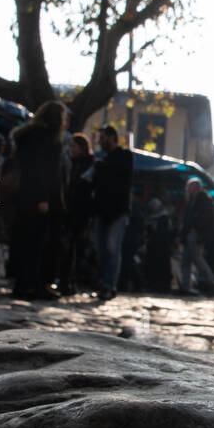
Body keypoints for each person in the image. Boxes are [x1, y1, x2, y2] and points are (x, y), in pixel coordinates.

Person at [9, 101, 66, 300]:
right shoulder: (45, 138)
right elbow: (42, 169)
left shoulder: (27, 136)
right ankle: (34, 284)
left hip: (23, 196)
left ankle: (23, 283)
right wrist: (43, 197)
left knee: (25, 240)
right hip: (40, 198)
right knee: (39, 243)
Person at [90, 125, 134, 300]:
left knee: (112, 248)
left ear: (111, 137)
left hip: (118, 211)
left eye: (102, 138)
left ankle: (109, 285)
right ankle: (103, 283)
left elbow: (119, 179)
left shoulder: (124, 156)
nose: (100, 142)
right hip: (101, 210)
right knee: (101, 250)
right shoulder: (102, 160)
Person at [58, 132, 94, 294]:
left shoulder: (87, 165)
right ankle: (65, 279)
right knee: (67, 246)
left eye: (73, 146)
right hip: (69, 209)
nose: (70, 149)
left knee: (74, 246)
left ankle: (70, 279)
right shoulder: (70, 164)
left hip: (80, 211)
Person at [180, 177, 214, 295]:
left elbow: (205, 218)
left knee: (197, 259)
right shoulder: (192, 200)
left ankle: (212, 282)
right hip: (190, 234)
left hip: (196, 234)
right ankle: (186, 285)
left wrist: (196, 229)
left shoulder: (203, 200)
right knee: (186, 260)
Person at [142, 196, 175, 293]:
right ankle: (153, 285)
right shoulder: (151, 217)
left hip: (162, 247)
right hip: (153, 248)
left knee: (162, 267)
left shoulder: (164, 218)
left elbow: (164, 233)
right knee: (153, 267)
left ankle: (163, 286)